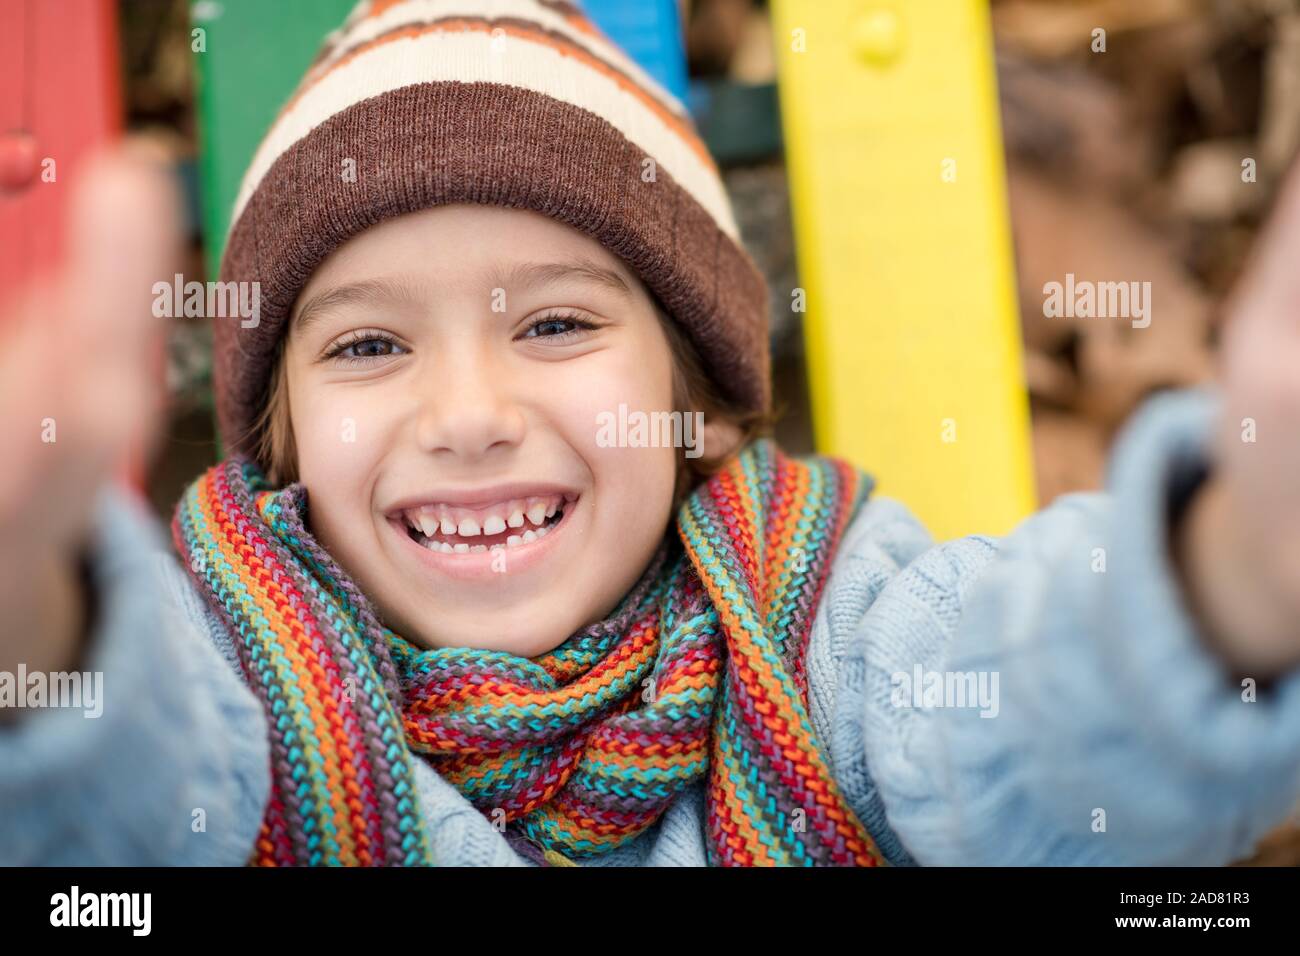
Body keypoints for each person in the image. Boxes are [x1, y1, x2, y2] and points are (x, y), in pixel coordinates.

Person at [4, 0, 1300, 867]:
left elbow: (1031, 721)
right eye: (369, 346)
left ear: (694, 401)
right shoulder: (215, 680)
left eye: (558, 327)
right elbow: (107, 801)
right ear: (282, 443)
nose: (468, 417)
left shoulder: (827, 628)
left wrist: (1229, 576)